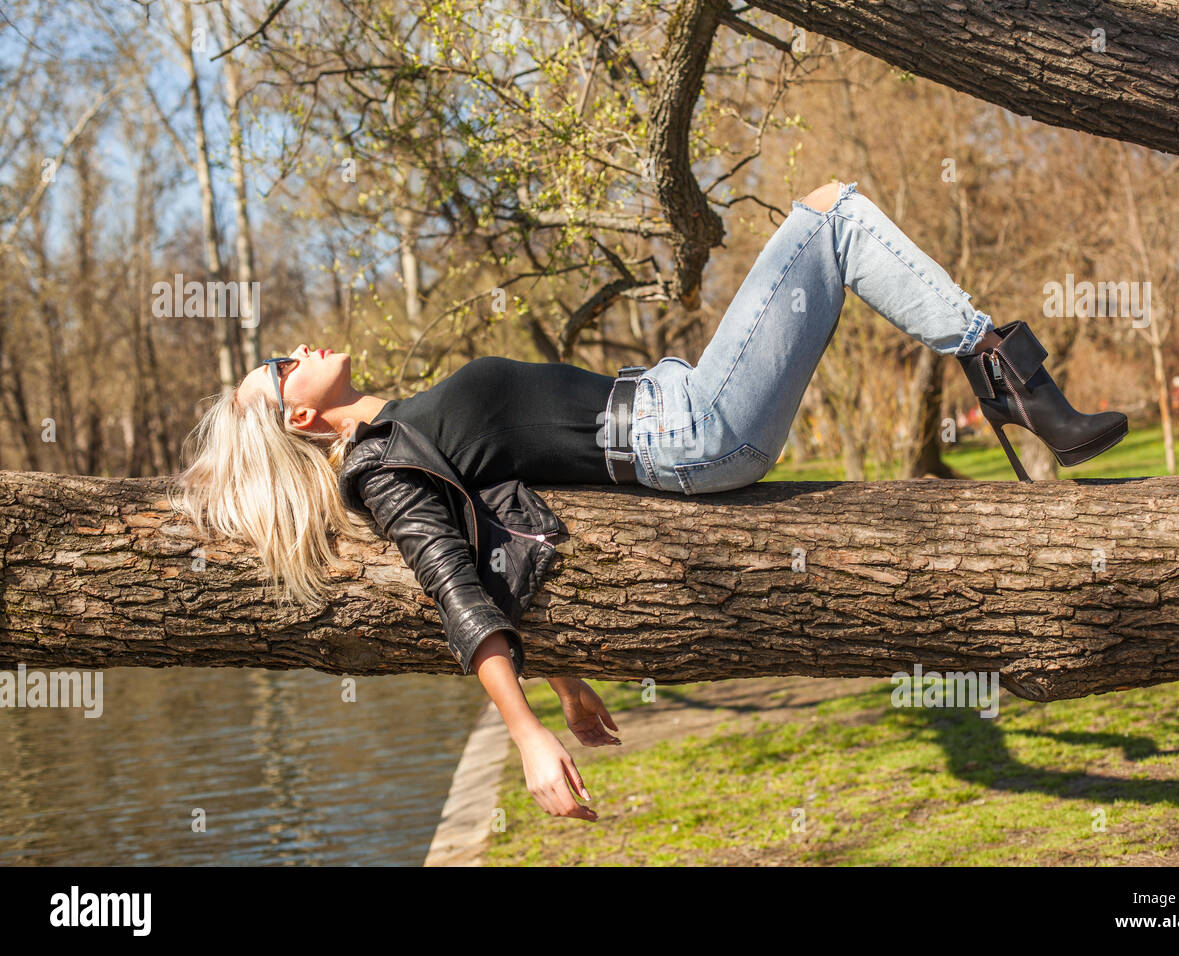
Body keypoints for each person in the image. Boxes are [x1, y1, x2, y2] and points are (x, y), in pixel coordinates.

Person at [174, 180, 1127, 823]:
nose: (294, 349)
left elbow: (500, 537)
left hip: (681, 414)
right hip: (688, 430)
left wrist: (568, 678)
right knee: (832, 212)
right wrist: (528, 737)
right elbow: (456, 592)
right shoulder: (380, 466)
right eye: (277, 367)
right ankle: (1004, 370)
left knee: (831, 212)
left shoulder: (410, 425)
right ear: (299, 419)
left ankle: (1003, 371)